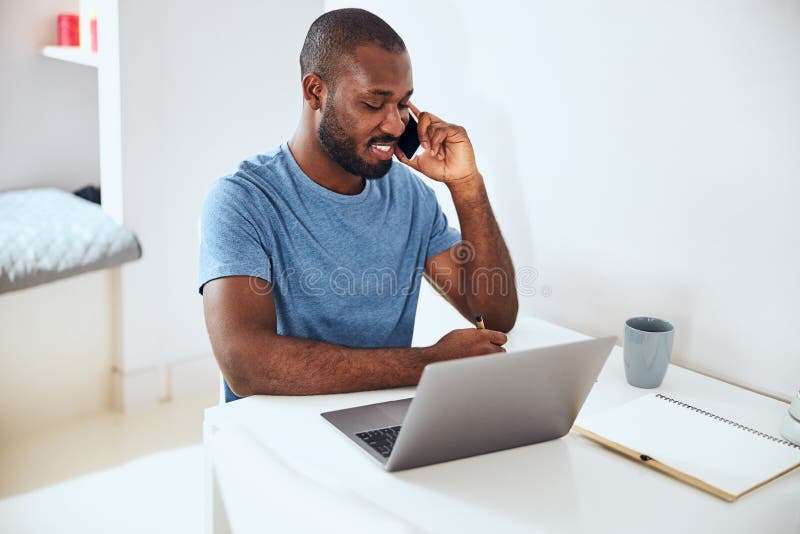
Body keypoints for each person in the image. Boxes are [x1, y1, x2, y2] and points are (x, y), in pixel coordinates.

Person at [199, 8, 518, 401]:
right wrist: (427, 363)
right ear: (315, 91)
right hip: (276, 435)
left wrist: (467, 186)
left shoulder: (411, 197)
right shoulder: (242, 200)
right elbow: (245, 365)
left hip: (383, 422)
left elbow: (495, 316)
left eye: (403, 105)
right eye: (373, 104)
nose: (397, 126)